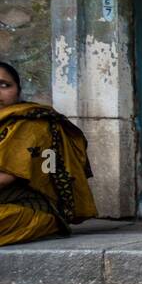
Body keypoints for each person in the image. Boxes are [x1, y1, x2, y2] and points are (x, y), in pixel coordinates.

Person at [0, 61, 97, 245]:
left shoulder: (31, 123)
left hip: (27, 209)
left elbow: (4, 178)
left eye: (4, 85)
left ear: (18, 90)